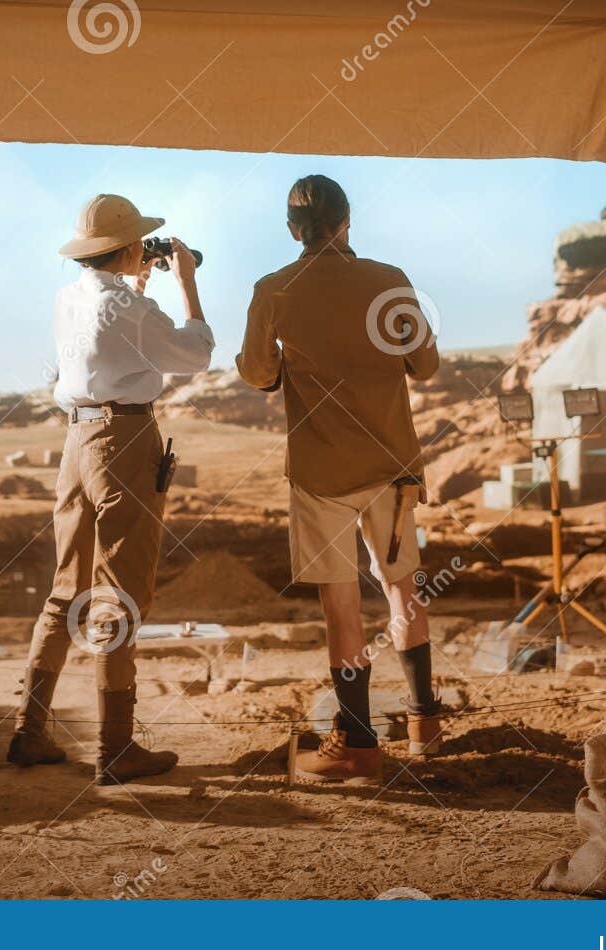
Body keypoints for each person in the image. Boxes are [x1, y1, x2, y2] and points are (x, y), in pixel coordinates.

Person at [237, 174, 443, 784]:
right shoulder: (389, 281)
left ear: (291, 230)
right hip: (392, 465)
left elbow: (256, 373)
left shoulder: (272, 290)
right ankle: (424, 723)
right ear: (347, 222)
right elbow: (425, 365)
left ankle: (357, 745)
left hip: (320, 473)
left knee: (342, 605)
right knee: (403, 587)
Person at [7, 193, 214, 786]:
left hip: (77, 441)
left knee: (64, 589)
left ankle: (29, 730)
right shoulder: (128, 306)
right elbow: (196, 354)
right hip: (122, 441)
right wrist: (187, 286)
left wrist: (138, 285)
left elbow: (115, 338)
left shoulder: (68, 298)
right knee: (120, 591)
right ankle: (116, 748)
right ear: (127, 249)